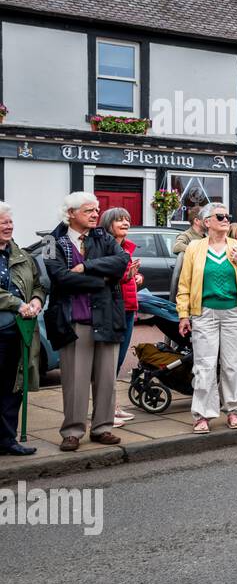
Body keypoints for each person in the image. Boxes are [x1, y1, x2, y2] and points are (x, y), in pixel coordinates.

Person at [44, 192, 129, 451]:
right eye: (88, 210)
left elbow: (122, 261)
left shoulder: (103, 236)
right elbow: (57, 276)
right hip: (73, 321)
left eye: (97, 210)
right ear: (70, 213)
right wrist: (102, 280)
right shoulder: (50, 241)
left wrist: (87, 267)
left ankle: (103, 428)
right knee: (74, 381)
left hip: (106, 317)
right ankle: (72, 431)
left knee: (106, 379)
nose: (95, 215)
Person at [176, 202, 237, 433]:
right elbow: (184, 284)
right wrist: (183, 315)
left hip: (235, 312)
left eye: (227, 216)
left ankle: (234, 411)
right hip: (204, 313)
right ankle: (203, 414)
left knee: (234, 364)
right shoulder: (195, 248)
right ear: (207, 222)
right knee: (204, 365)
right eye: (220, 216)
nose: (226, 219)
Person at [0, 201, 46, 456]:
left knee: (13, 386)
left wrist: (37, 300)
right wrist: (17, 303)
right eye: (3, 222)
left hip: (18, 331)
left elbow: (39, 285)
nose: (9, 227)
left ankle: (7, 440)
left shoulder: (22, 255)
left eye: (10, 222)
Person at [100, 207, 143, 427]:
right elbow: (109, 278)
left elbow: (125, 278)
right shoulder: (106, 248)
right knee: (109, 363)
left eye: (127, 219)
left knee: (117, 363)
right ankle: (105, 411)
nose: (125, 222)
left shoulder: (125, 247)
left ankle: (113, 406)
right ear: (108, 224)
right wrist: (128, 276)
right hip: (113, 310)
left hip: (127, 309)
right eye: (119, 220)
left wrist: (136, 278)